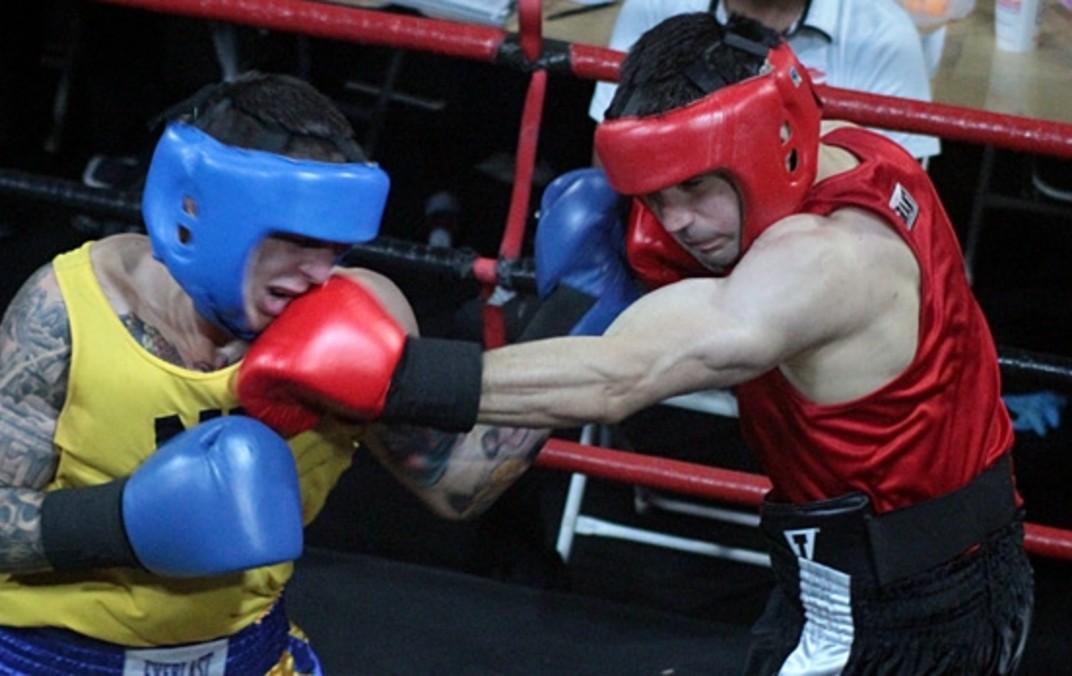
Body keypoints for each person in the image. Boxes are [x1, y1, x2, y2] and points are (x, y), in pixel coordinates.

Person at [237, 14, 1035, 674]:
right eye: (655, 193)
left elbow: (623, 376)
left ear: (772, 147)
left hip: (906, 605)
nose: (673, 222)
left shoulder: (825, 261)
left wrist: (390, 373)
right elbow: (463, 481)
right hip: (893, 566)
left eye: (695, 187)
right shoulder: (846, 149)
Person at [0, 71, 545, 675]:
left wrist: (584, 307)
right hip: (39, 662)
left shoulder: (346, 324)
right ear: (202, 210)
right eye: (296, 240)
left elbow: (455, 480)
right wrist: (127, 521)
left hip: (245, 659)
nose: (316, 273)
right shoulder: (69, 308)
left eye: (334, 248)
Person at [588, 0, 941, 162]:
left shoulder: (883, 35)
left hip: (814, 244)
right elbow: (612, 157)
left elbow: (899, 191)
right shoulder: (657, 5)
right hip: (676, 233)